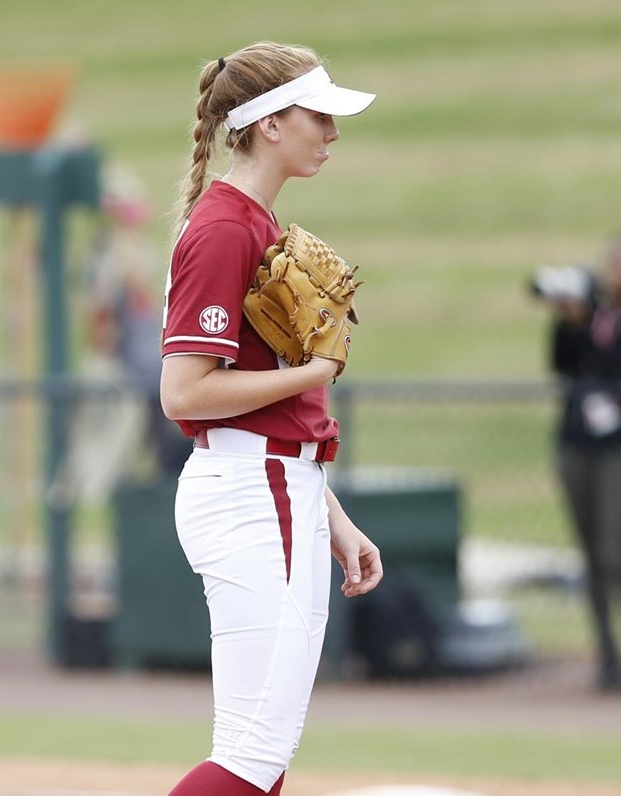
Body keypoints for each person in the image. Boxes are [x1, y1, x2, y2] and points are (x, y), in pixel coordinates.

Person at [159, 42, 383, 796]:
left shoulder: (249, 221)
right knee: (254, 754)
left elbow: (265, 413)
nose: (332, 131)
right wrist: (314, 373)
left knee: (263, 751)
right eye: (318, 115)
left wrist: (332, 514)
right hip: (252, 492)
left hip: (274, 485)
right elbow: (184, 395)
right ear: (269, 123)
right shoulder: (228, 228)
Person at [546, 236, 621, 691]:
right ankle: (608, 655)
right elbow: (561, 364)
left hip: (619, 449)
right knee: (592, 557)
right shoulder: (590, 316)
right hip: (576, 444)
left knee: (619, 554)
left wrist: (588, 322)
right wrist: (568, 321)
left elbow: (620, 368)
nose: (612, 269)